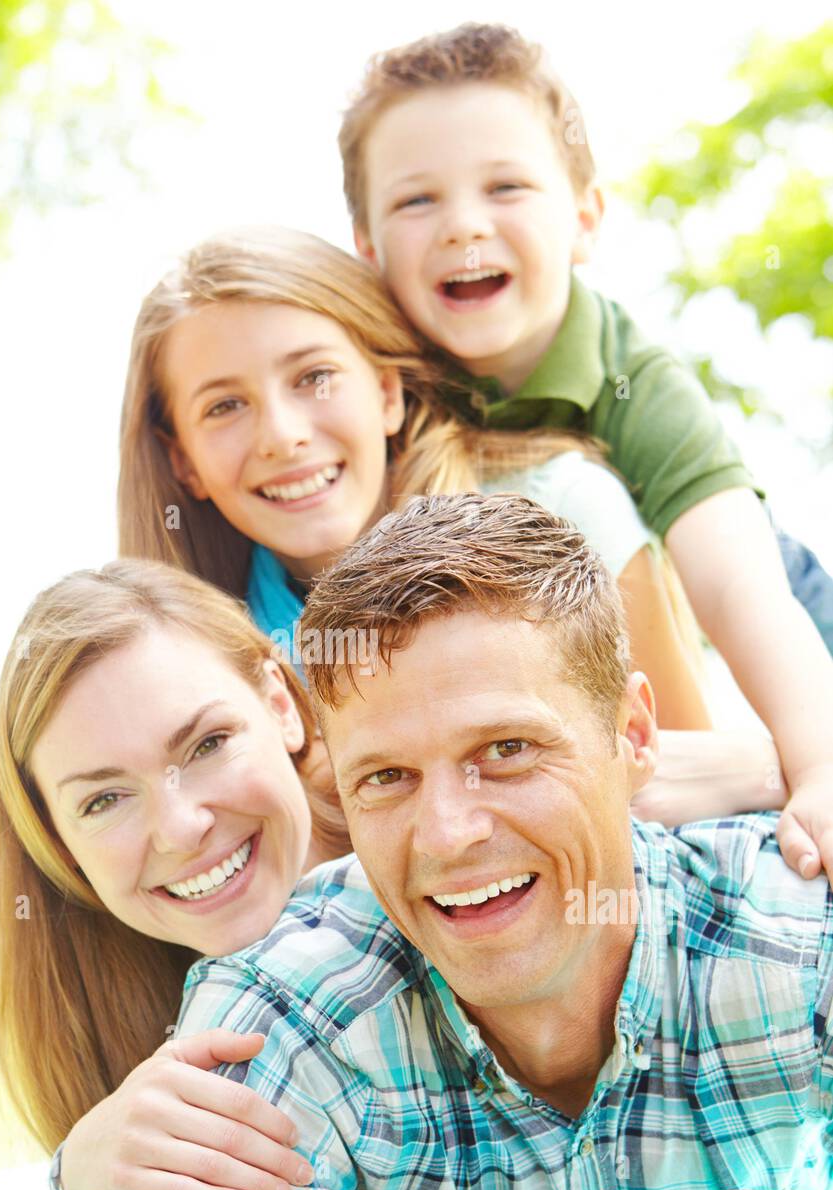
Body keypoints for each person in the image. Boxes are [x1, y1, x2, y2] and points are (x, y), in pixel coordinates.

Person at [81, 494, 831, 1190]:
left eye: (506, 750)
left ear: (634, 738)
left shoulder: (790, 935)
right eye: (386, 777)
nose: (444, 835)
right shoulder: (294, 1005)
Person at [339, 21, 833, 883]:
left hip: (760, 603)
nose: (462, 225)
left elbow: (736, 585)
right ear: (368, 247)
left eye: (505, 186)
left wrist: (818, 763)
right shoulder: (369, 382)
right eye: (417, 200)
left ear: (583, 219)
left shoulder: (629, 371)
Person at [117, 224, 710, 729]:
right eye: (224, 407)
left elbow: (695, 783)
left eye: (313, 377)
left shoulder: (567, 513)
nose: (281, 435)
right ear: (184, 462)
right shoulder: (209, 658)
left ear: (386, 392)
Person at [0, 559, 349, 1190]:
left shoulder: (443, 869)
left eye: (207, 744)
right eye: (105, 800)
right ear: (60, 845)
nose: (181, 829)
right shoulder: (112, 1014)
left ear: (281, 704)